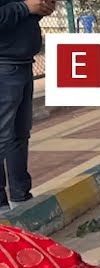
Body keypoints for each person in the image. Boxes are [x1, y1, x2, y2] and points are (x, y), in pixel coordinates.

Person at [0, 0, 52, 214]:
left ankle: (21, 197)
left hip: (21, 64)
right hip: (3, 67)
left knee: (19, 135)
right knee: (2, 136)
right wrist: (26, 8)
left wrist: (40, 9)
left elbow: (19, 17)